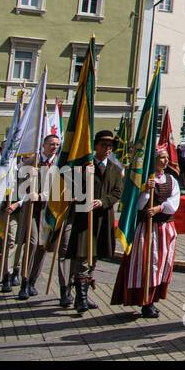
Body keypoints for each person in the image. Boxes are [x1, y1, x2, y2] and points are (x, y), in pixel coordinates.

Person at [111, 146, 179, 318]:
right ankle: (145, 301)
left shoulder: (171, 179)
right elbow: (138, 204)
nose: (165, 161)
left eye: (166, 157)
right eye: (161, 157)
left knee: (161, 264)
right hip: (147, 230)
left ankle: (153, 298)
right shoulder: (144, 180)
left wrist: (159, 208)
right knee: (147, 263)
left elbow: (174, 202)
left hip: (164, 228)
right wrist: (145, 189)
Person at [65, 129, 124, 313]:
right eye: (104, 145)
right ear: (96, 146)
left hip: (103, 218)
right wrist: (83, 196)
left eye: (110, 146)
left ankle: (83, 295)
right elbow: (71, 190)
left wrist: (103, 201)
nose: (107, 149)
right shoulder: (84, 167)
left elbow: (117, 193)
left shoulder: (115, 169)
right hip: (84, 218)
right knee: (83, 256)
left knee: (94, 257)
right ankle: (80, 299)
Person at [19, 133, 64, 301]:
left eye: (56, 144)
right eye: (51, 144)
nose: (54, 147)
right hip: (31, 210)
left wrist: (43, 196)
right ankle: (23, 280)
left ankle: (32, 280)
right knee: (31, 242)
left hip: (48, 210)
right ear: (44, 145)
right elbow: (20, 187)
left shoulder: (60, 165)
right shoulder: (31, 162)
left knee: (42, 246)